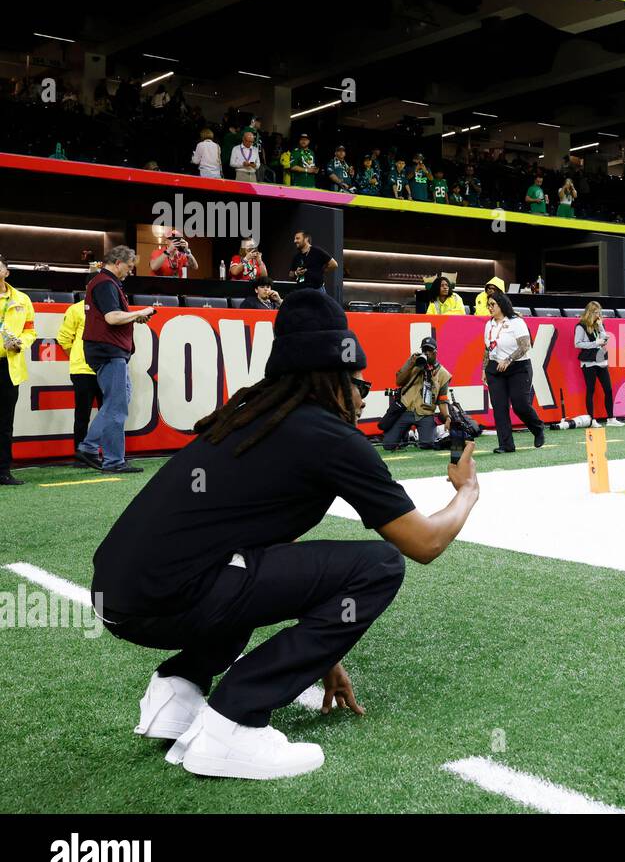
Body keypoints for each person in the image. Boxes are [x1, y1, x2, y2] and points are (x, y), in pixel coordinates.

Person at [91, 290, 480, 780]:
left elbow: (272, 560)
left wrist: (323, 651)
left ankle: (178, 689)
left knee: (241, 571)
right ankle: (234, 721)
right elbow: (424, 543)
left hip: (120, 597)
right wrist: (466, 492)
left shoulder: (249, 417)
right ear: (339, 379)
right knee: (379, 565)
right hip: (170, 596)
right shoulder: (330, 437)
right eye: (362, 383)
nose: (364, 397)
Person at [76, 247, 157, 473]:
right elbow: (112, 318)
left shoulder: (103, 282)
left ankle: (89, 446)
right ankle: (113, 460)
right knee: (116, 407)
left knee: (118, 401)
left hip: (107, 351)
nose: (130, 272)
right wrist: (140, 312)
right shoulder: (105, 283)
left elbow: (112, 317)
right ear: (118, 262)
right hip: (109, 351)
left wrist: (134, 317)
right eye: (129, 267)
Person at [482, 292, 545, 453]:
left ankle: (537, 428)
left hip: (518, 367)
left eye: (492, 305)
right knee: (499, 407)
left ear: (501, 305)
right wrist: (484, 368)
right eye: (488, 305)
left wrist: (508, 359)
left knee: (520, 405)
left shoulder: (516, 322)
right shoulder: (489, 324)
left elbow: (525, 346)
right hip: (495, 368)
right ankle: (506, 444)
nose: (489, 308)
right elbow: (488, 348)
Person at [0, 256, 36, 484]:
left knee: (5, 423)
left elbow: (30, 331)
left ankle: (3, 470)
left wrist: (20, 343)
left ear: (6, 272)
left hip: (9, 367)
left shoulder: (22, 299)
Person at [380, 336, 450, 450]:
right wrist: (410, 364)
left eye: (429, 350)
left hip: (425, 413)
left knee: (427, 445)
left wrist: (447, 417)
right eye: (424, 350)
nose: (427, 353)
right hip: (406, 410)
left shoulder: (443, 374)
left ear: (435, 352)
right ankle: (406, 435)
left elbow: (442, 399)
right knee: (388, 445)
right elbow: (399, 381)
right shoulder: (414, 364)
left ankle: (434, 431)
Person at [56, 293, 102, 452]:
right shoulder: (75, 309)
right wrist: (77, 356)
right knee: (83, 415)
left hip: (106, 369)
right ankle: (81, 453)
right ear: (88, 287)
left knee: (109, 414)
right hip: (82, 370)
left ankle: (110, 454)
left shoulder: (111, 308)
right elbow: (63, 338)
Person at [574, 302, 622, 426]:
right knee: (591, 390)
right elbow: (577, 343)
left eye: (599, 312)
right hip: (589, 361)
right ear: (590, 312)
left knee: (608, 389)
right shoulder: (581, 326)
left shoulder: (598, 323)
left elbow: (604, 338)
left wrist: (601, 328)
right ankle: (592, 420)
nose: (598, 315)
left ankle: (611, 419)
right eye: (596, 312)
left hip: (601, 359)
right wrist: (595, 343)